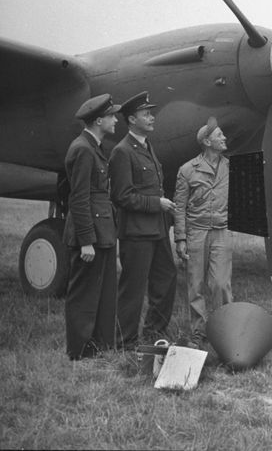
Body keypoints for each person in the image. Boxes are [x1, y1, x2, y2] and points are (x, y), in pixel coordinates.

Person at [109, 91, 178, 350]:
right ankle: (124, 343)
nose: (151, 117)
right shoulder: (122, 152)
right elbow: (122, 196)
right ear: (131, 119)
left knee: (166, 280)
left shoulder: (148, 147)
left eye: (151, 112)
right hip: (136, 233)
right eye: (145, 113)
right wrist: (156, 204)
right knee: (133, 290)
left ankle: (154, 333)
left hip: (157, 230)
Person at [63, 94, 121, 360]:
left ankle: (100, 345)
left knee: (104, 293)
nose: (115, 120)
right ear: (99, 120)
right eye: (111, 116)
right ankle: (79, 350)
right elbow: (79, 197)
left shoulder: (94, 146)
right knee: (84, 294)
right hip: (90, 235)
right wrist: (86, 240)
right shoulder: (83, 149)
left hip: (103, 233)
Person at [173, 116, 232, 350]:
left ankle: (224, 330)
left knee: (220, 284)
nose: (224, 138)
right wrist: (180, 238)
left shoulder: (230, 166)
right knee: (195, 285)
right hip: (197, 232)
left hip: (221, 231)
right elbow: (179, 207)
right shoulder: (187, 170)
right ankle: (198, 332)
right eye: (219, 135)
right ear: (207, 141)